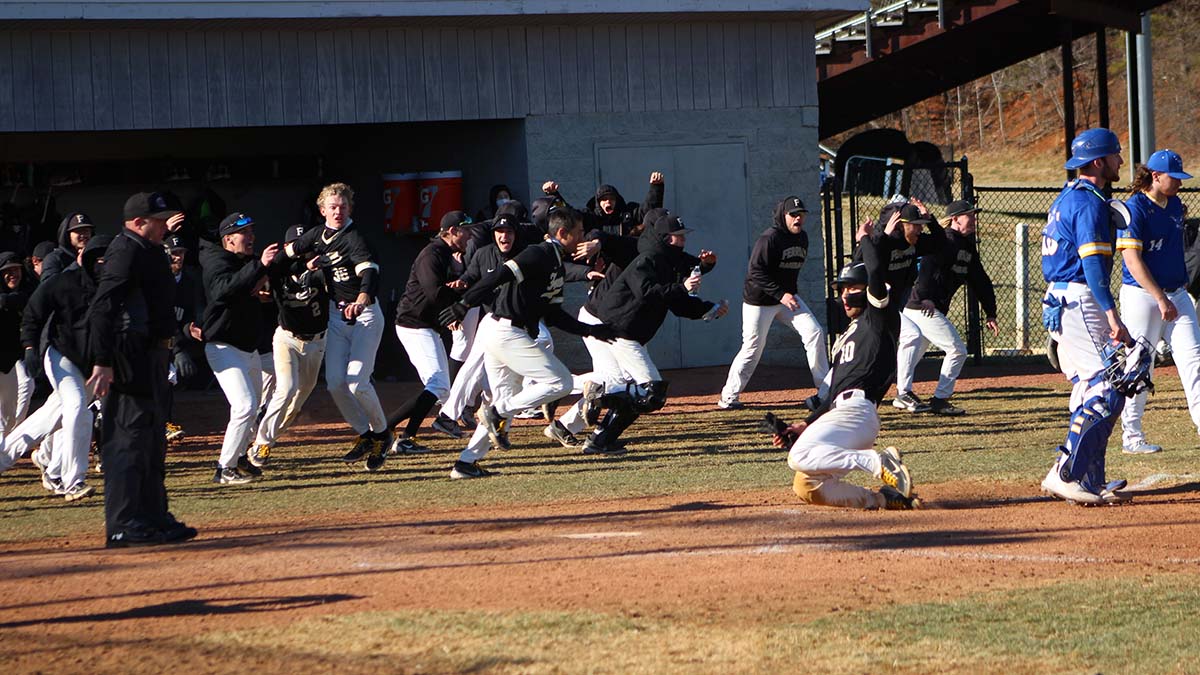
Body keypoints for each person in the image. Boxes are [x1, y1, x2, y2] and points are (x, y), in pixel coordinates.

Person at [439, 207, 616, 479]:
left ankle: (465, 463)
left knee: (504, 401)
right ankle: (496, 412)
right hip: (505, 332)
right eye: (579, 233)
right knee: (560, 383)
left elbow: (553, 314)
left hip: (506, 332)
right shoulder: (539, 253)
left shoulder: (556, 261)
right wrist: (464, 304)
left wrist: (591, 330)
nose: (583, 238)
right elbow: (498, 276)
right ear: (562, 233)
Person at [771, 249, 919, 511]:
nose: (845, 296)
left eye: (852, 288)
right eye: (842, 290)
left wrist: (867, 239)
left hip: (857, 411)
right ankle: (884, 499)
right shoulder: (847, 335)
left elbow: (876, 273)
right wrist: (805, 424)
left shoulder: (878, 319)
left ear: (869, 290)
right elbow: (832, 395)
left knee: (799, 456)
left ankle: (878, 463)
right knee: (806, 484)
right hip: (841, 413)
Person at [88, 191, 196, 547]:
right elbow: (103, 308)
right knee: (128, 440)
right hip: (129, 355)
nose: (166, 226)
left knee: (151, 441)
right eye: (159, 221)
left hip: (153, 355)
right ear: (138, 223)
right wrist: (103, 361)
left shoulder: (149, 250)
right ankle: (123, 524)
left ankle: (153, 516)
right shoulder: (125, 250)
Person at [1039, 128, 1133, 506]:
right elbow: (1093, 267)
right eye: (1115, 155)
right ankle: (1067, 474)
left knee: (1089, 388)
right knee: (1107, 387)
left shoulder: (1069, 196)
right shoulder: (1089, 203)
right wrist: (1112, 316)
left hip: (1063, 297)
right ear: (1098, 161)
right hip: (1080, 299)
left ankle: (1091, 480)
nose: (1120, 161)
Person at [581, 215, 727, 454]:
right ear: (666, 238)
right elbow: (648, 293)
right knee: (651, 394)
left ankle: (600, 440)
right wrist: (683, 287)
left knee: (644, 396)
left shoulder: (669, 262)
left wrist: (709, 309)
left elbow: (677, 303)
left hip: (630, 334)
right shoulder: (646, 259)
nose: (683, 240)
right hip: (620, 332)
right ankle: (602, 394)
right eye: (679, 236)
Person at [283, 183, 389, 463]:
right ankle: (365, 434)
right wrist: (273, 264)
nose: (338, 211)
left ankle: (382, 434)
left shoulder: (355, 238)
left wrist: (362, 299)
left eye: (343, 206)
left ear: (350, 209)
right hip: (336, 315)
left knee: (357, 383)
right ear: (322, 210)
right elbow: (289, 253)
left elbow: (369, 275)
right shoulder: (317, 235)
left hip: (364, 315)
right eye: (333, 207)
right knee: (334, 383)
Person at [5, 235, 113, 501]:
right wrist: (29, 347)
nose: (100, 264)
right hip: (61, 355)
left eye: (106, 259)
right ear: (83, 259)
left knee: (50, 417)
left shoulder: (117, 286)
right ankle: (73, 481)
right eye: (95, 258)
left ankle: (39, 467)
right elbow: (33, 314)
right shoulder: (64, 282)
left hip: (94, 364)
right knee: (78, 409)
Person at [1116, 149, 1200, 454]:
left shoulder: (1175, 204)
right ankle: (1132, 436)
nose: (1179, 182)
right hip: (1142, 296)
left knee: (1194, 360)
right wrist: (1160, 298)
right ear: (1155, 176)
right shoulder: (1135, 208)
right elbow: (1132, 260)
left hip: (1176, 293)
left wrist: (1181, 281)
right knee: (1140, 365)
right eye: (1173, 177)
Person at [718, 196, 828, 410]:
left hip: (787, 298)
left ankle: (825, 392)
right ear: (783, 216)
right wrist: (781, 294)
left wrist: (786, 294)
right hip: (759, 301)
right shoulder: (769, 238)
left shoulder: (802, 238)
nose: (798, 218)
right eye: (793, 215)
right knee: (753, 348)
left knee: (814, 332)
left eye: (801, 214)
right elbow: (755, 272)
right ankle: (728, 397)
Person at [383, 210, 474, 466]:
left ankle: (405, 438)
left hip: (425, 326)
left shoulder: (445, 254)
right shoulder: (432, 254)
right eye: (466, 230)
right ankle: (384, 429)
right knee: (439, 386)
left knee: (438, 386)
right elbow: (434, 293)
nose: (469, 235)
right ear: (453, 231)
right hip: (414, 325)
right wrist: (460, 298)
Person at [892, 200, 999, 415]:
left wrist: (990, 312)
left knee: (913, 350)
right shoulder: (947, 240)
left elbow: (980, 281)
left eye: (974, 215)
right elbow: (926, 268)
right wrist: (924, 296)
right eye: (969, 215)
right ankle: (939, 399)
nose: (974, 219)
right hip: (922, 305)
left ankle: (902, 393)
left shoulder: (966, 246)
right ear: (955, 219)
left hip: (926, 307)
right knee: (957, 350)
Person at [200, 212, 280, 485]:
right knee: (244, 406)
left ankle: (239, 457)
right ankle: (224, 468)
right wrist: (259, 266)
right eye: (244, 233)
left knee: (253, 408)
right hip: (223, 347)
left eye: (251, 232)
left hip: (248, 349)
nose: (251, 237)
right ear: (228, 239)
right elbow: (224, 290)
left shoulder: (246, 261)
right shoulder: (216, 261)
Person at [249, 225, 329, 467]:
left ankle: (269, 437)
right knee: (286, 388)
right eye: (297, 246)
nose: (303, 251)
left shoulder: (322, 268)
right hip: (288, 338)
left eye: (306, 246)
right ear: (287, 248)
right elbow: (258, 281)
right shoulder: (277, 270)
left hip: (317, 341)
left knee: (299, 399)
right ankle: (262, 442)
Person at [165, 233, 205, 442]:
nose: (177, 257)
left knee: (167, 381)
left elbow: (185, 317)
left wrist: (191, 328)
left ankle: (164, 423)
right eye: (173, 253)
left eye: (180, 252)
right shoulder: (157, 280)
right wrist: (179, 350)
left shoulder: (189, 281)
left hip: (173, 341)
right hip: (152, 341)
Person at [0, 252, 32, 434]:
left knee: (8, 416)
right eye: (7, 271)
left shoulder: (24, 294)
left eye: (16, 270)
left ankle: (10, 443)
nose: (13, 275)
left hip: (9, 363)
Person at [40, 212, 93, 282]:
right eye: (78, 231)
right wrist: (77, 265)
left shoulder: (95, 256)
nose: (83, 235)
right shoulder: (54, 258)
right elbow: (48, 286)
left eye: (86, 231)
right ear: (67, 235)